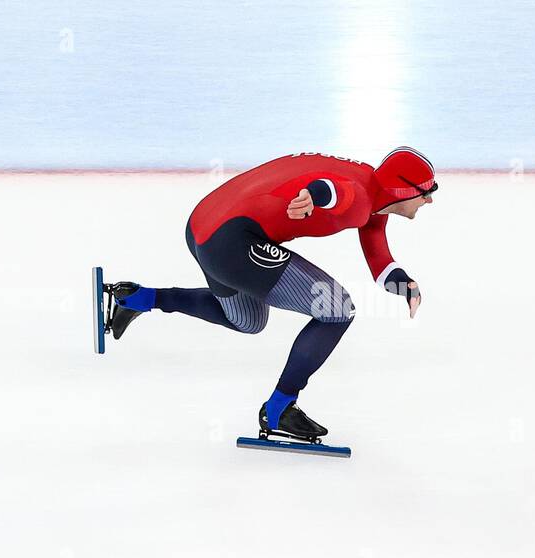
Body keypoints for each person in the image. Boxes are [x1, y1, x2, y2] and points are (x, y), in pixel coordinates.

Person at [103, 147, 437, 440]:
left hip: (204, 225)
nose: (430, 199)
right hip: (230, 239)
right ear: (401, 190)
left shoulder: (373, 196)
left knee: (248, 320)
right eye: (426, 192)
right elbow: (333, 191)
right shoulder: (360, 198)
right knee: (337, 308)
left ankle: (135, 298)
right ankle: (280, 409)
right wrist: (312, 196)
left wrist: (404, 284)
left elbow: (379, 258)